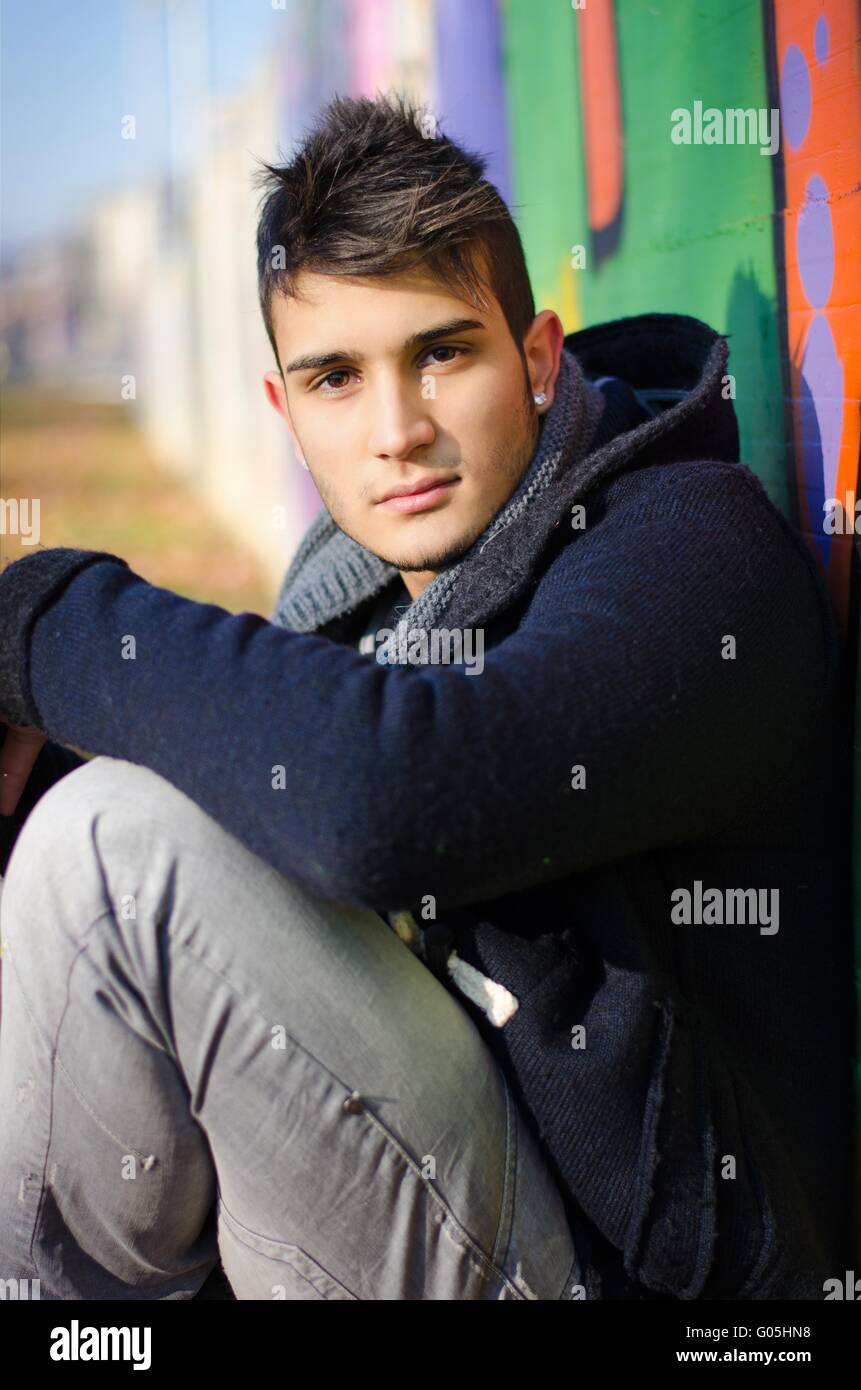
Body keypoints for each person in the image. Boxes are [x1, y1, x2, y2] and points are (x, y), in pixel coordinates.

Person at [0, 91, 854, 1301]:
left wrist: (36, 619)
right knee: (82, 826)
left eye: (441, 353)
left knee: (111, 855)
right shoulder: (351, 593)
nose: (396, 430)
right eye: (336, 378)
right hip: (459, 1179)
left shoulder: (692, 557)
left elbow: (393, 790)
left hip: (641, 1284)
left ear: (539, 358)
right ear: (285, 412)